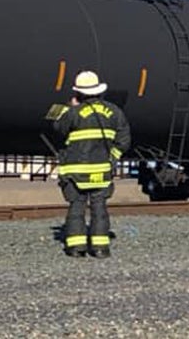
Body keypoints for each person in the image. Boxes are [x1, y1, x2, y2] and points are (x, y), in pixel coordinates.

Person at [51, 70, 131, 258]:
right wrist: (113, 157)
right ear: (99, 91)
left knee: (77, 207)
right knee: (99, 208)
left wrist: (66, 108)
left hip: (75, 171)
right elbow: (124, 139)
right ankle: (101, 248)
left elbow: (58, 128)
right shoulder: (115, 112)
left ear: (78, 93)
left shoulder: (74, 112)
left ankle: (76, 248)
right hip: (101, 171)